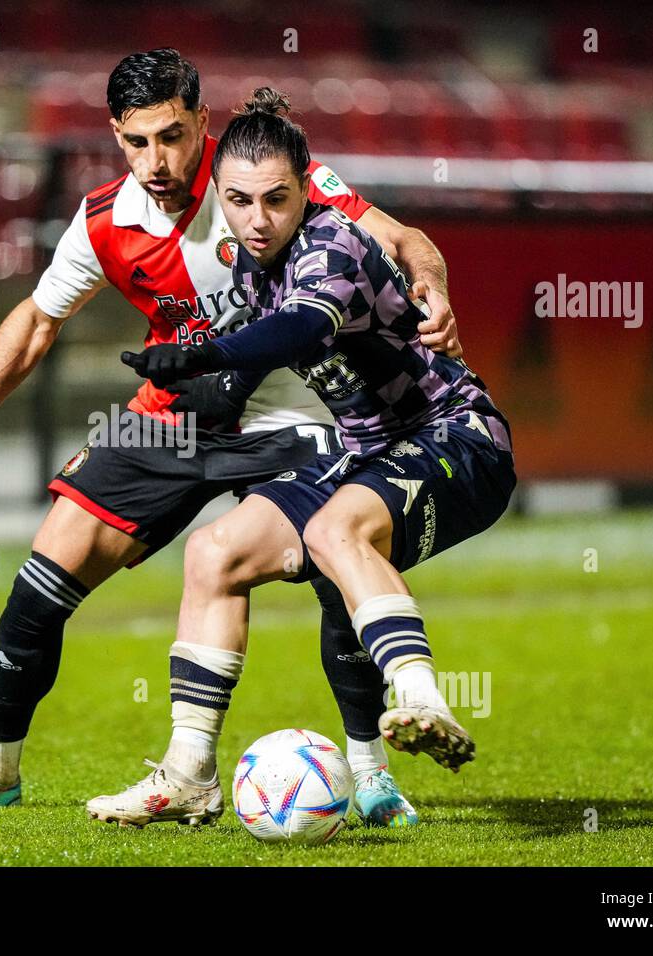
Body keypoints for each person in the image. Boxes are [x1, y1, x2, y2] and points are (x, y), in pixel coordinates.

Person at [0, 52, 461, 828]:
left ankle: (370, 774)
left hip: (295, 414)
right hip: (172, 415)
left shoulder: (259, 183)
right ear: (115, 136)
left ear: (202, 120)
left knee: (337, 561)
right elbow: (35, 322)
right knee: (41, 579)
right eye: (136, 143)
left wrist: (434, 293)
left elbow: (403, 239)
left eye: (170, 136)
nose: (155, 162)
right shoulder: (104, 222)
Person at [95, 87, 515, 826]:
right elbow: (256, 354)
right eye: (239, 201)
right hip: (369, 451)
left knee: (333, 533)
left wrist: (202, 354)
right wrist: (212, 395)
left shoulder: (333, 244)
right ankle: (189, 772)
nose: (258, 220)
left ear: (305, 188)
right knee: (214, 553)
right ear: (218, 195)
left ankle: (420, 699)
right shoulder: (253, 261)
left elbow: (296, 329)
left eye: (277, 200)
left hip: (458, 437)